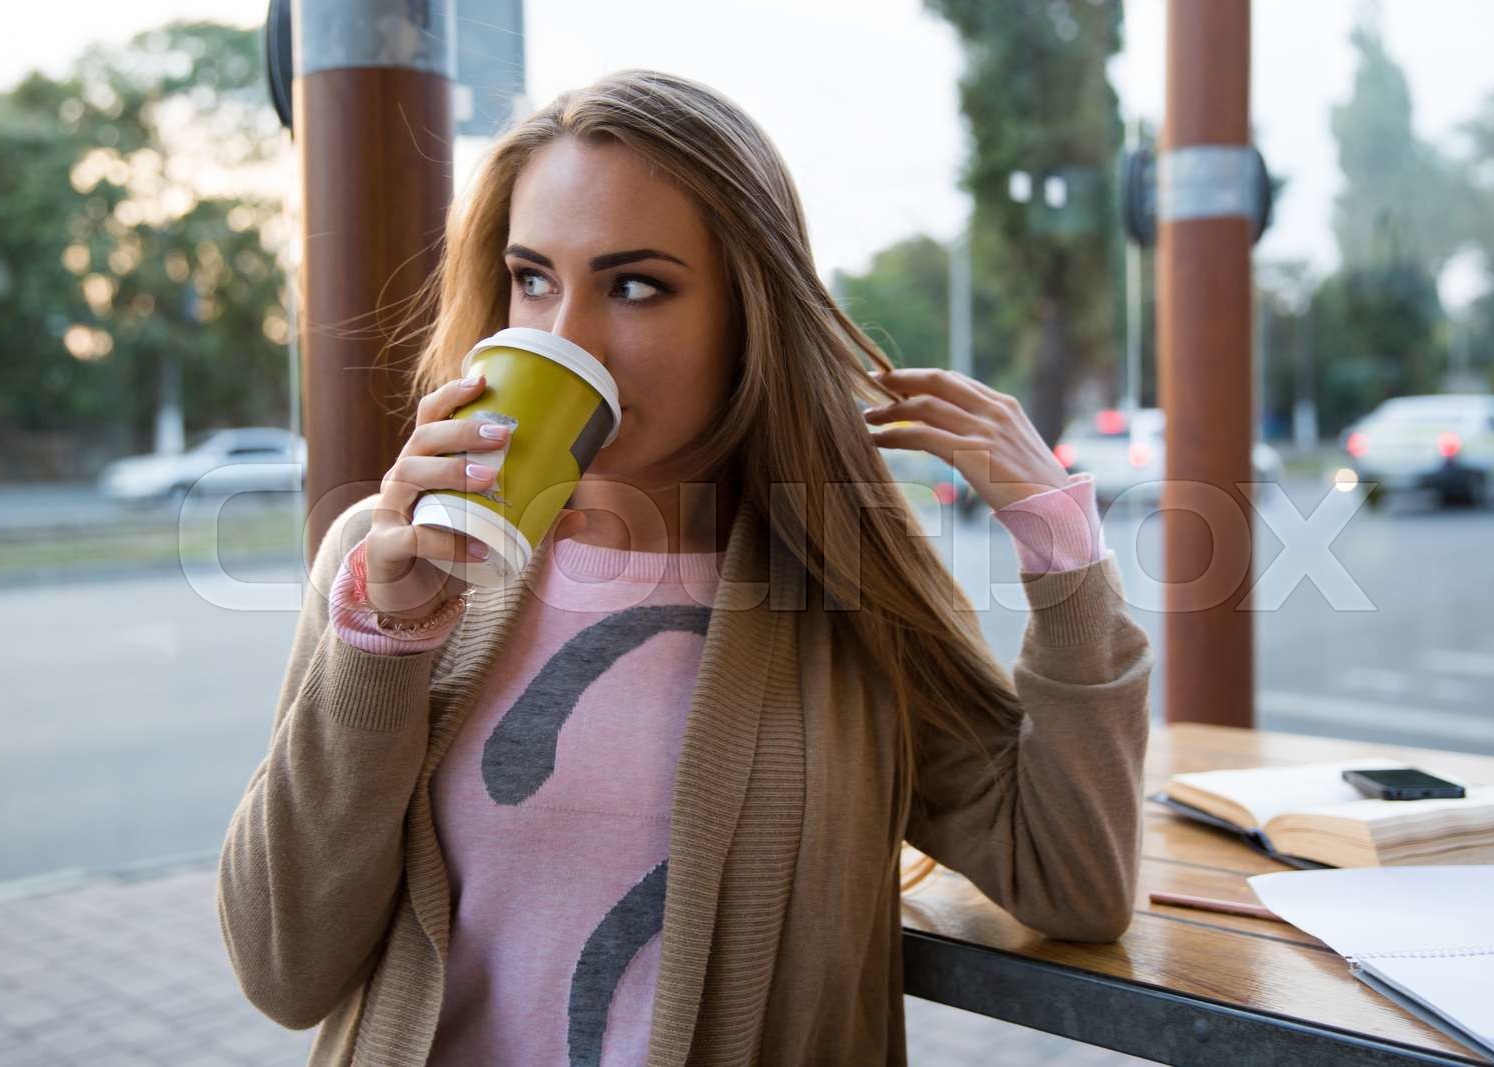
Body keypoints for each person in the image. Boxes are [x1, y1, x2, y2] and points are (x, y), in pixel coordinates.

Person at [216, 68, 1152, 1067]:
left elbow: (1072, 879)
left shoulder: (849, 580)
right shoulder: (386, 563)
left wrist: (1060, 545)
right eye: (532, 278)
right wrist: (380, 642)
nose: (564, 335)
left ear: (749, 314)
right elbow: (285, 967)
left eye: (634, 286)